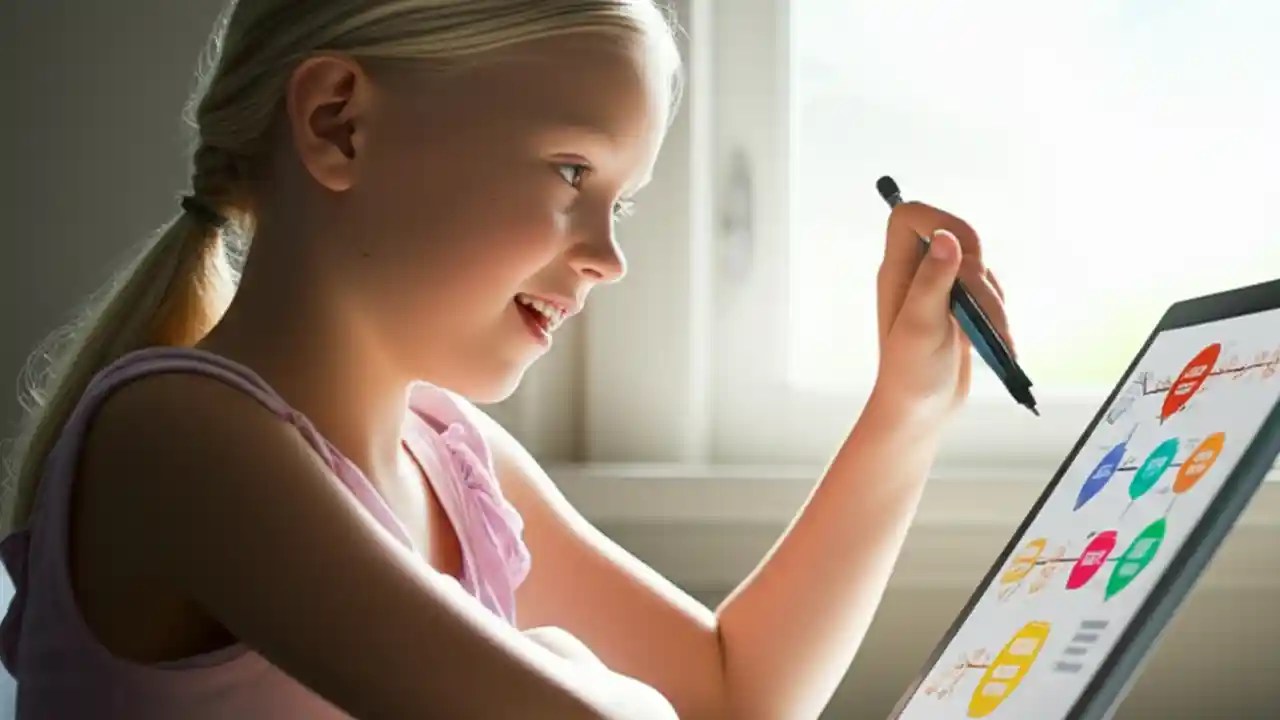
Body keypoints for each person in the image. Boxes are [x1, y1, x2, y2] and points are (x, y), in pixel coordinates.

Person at [0, 1, 1016, 718]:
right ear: (337, 124)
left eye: (620, 202)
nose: (610, 257)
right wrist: (568, 666)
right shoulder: (179, 439)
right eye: (571, 169)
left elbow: (731, 695)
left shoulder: (451, 459)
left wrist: (904, 412)